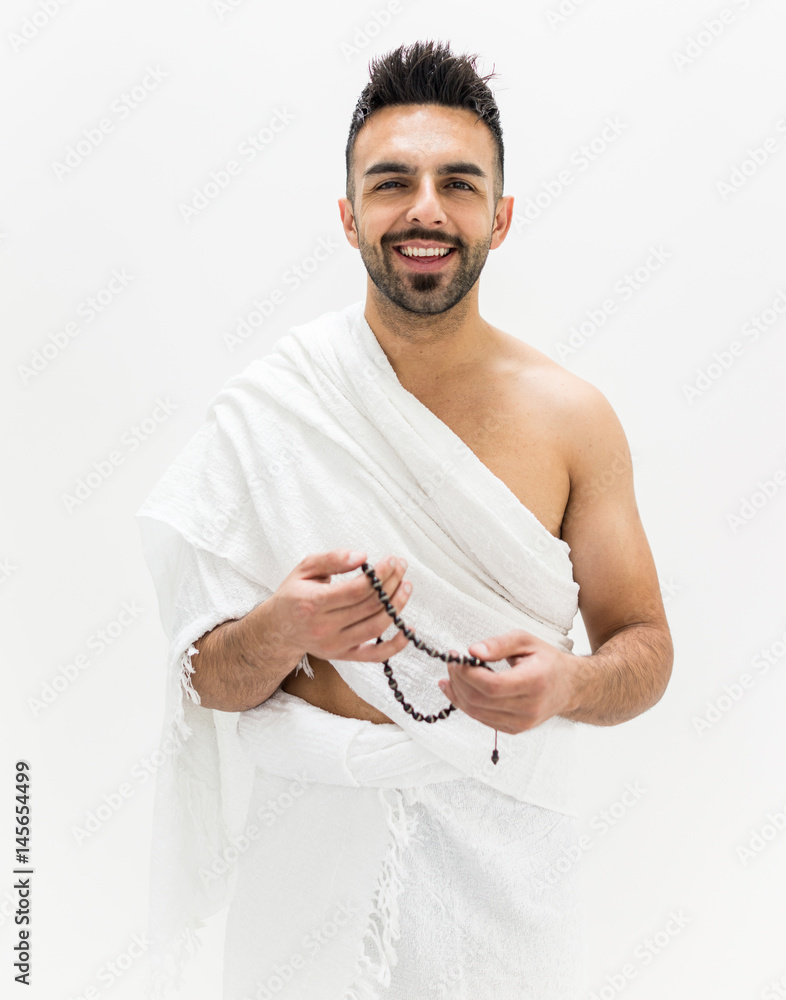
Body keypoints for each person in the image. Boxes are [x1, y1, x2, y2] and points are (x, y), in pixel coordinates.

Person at [136, 39, 673, 1000]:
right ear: (349, 218)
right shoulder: (272, 407)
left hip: (505, 864)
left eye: (458, 184)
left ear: (500, 218)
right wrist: (284, 627)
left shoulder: (575, 421)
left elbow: (644, 648)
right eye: (393, 183)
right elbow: (205, 679)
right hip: (303, 859)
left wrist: (567, 684)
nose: (425, 208)